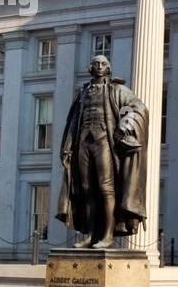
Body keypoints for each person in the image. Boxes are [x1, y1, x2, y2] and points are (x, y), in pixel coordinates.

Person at [56, 55, 148, 248]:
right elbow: (74, 121)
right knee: (87, 190)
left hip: (104, 142)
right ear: (91, 67)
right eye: (96, 63)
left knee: (106, 188)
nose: (99, 66)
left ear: (109, 68)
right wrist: (68, 145)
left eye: (103, 64)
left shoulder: (117, 90)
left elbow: (139, 107)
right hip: (83, 142)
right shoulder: (82, 93)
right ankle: (91, 235)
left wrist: (124, 126)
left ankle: (107, 236)